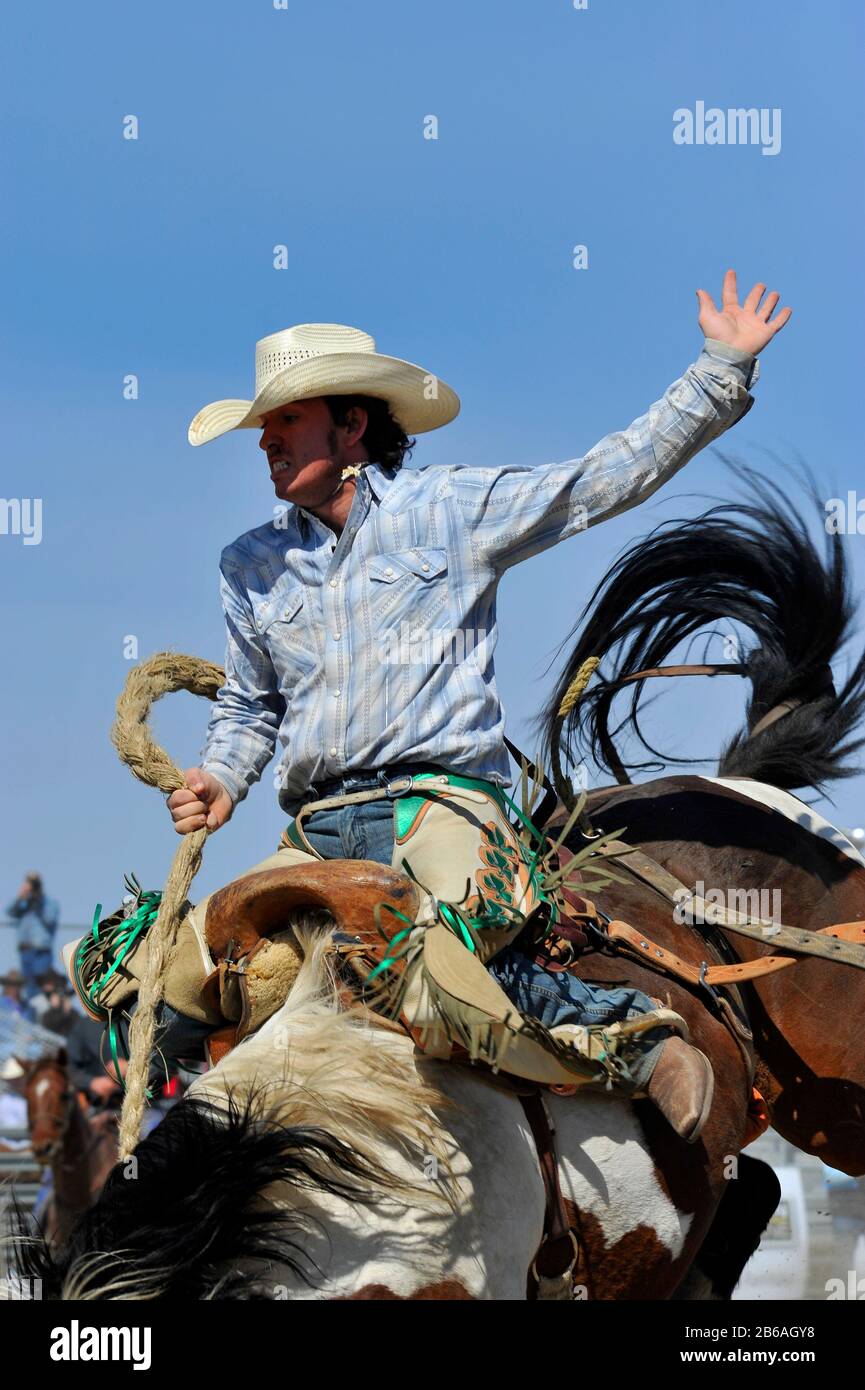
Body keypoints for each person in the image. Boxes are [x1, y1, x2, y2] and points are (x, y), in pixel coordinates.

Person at [70, 277, 791, 1142]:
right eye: (262, 427)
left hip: (441, 809)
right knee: (141, 977)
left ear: (351, 427)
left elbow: (601, 480)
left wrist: (719, 369)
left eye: (285, 419)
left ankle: (633, 1048)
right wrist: (220, 777)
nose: (264, 440)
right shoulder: (247, 564)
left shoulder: (446, 511)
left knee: (421, 965)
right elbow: (252, 702)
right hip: (316, 829)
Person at [5, 873, 59, 1001]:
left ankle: (42, 1013)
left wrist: (39, 900)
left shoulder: (49, 903)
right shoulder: (24, 903)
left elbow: (49, 919)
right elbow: (9, 911)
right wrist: (20, 897)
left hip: (41, 952)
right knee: (28, 986)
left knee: (41, 985)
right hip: (25, 951)